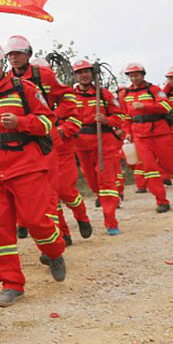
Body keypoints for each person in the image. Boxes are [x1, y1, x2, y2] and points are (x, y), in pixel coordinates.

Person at [0, 40, 66, 308]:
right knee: (2, 229)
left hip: (25, 165)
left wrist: (22, 123)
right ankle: (11, 283)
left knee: (36, 220)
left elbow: (48, 120)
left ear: (1, 64)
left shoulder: (24, 89)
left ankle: (54, 251)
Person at [5, 37, 91, 245]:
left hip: (54, 140)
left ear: (28, 54)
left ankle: (81, 216)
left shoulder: (43, 75)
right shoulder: (7, 80)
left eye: (18, 53)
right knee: (47, 194)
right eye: (10, 54)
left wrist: (54, 119)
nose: (14, 58)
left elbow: (68, 97)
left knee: (64, 191)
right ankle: (63, 235)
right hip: (29, 142)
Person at [118, 63, 173, 213]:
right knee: (150, 169)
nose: (134, 78)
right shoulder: (125, 94)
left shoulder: (154, 90)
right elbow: (125, 116)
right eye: (131, 75)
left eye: (137, 75)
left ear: (143, 75)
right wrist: (127, 131)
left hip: (160, 133)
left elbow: (166, 107)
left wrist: (145, 107)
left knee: (170, 165)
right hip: (140, 136)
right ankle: (162, 201)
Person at [68, 59, 125, 235]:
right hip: (81, 144)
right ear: (75, 76)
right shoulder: (70, 96)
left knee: (106, 181)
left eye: (86, 71)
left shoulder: (104, 94)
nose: (84, 75)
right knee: (93, 182)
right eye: (80, 72)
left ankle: (111, 221)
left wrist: (107, 120)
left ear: (92, 74)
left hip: (104, 143)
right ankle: (105, 201)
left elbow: (121, 117)